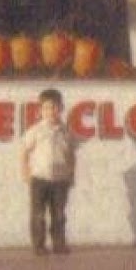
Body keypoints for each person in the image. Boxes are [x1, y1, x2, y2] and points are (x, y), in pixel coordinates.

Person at [19, 88, 78, 256]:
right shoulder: (36, 131)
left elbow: (71, 155)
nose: (51, 111)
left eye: (55, 107)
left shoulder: (66, 132)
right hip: (39, 178)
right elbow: (24, 152)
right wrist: (25, 172)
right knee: (38, 214)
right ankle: (39, 245)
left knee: (59, 214)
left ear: (61, 108)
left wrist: (71, 174)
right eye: (46, 108)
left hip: (60, 179)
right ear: (40, 110)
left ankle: (59, 244)